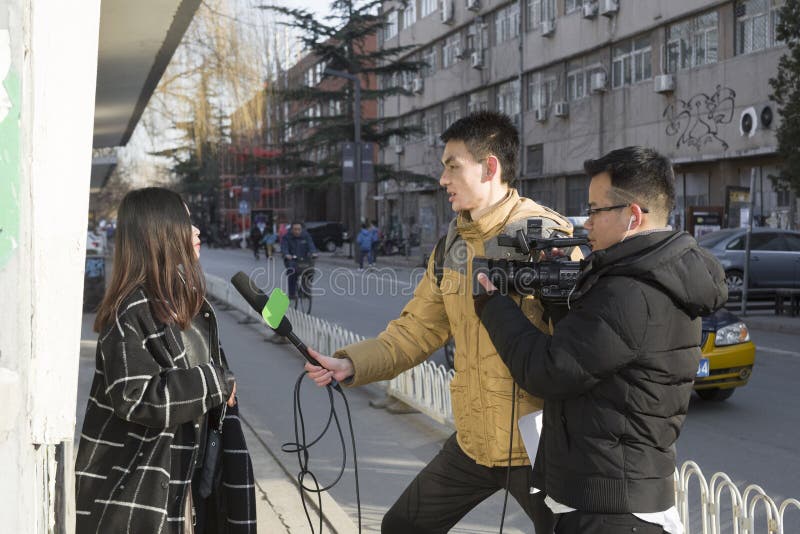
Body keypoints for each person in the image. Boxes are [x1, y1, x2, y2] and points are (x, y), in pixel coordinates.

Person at [304, 111, 576, 533]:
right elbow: (415, 331)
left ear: (490, 168)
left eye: (452, 166)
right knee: (402, 526)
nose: (442, 180)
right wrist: (351, 363)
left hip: (538, 446)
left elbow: (580, 346)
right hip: (473, 442)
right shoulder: (453, 242)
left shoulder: (546, 237)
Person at [474, 147, 728, 534]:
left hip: (612, 510)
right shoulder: (651, 276)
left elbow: (548, 370)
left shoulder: (631, 292)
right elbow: (592, 353)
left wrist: (492, 304)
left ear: (633, 215)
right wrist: (559, 298)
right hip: (620, 495)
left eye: (595, 210)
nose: (586, 222)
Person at [75, 187, 256, 534]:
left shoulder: (188, 306)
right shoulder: (130, 311)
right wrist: (215, 382)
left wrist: (219, 389)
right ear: (160, 233)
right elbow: (136, 396)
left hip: (193, 483)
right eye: (187, 223)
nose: (197, 231)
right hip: (142, 491)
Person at [281, 221, 317, 299]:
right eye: (295, 229)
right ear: (291, 229)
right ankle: (292, 294)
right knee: (292, 273)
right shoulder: (286, 237)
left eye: (299, 229)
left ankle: (305, 290)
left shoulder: (306, 236)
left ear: (301, 229)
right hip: (291, 260)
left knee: (309, 271)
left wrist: (313, 253)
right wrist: (286, 254)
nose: (297, 231)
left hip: (304, 260)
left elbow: (311, 245)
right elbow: (284, 247)